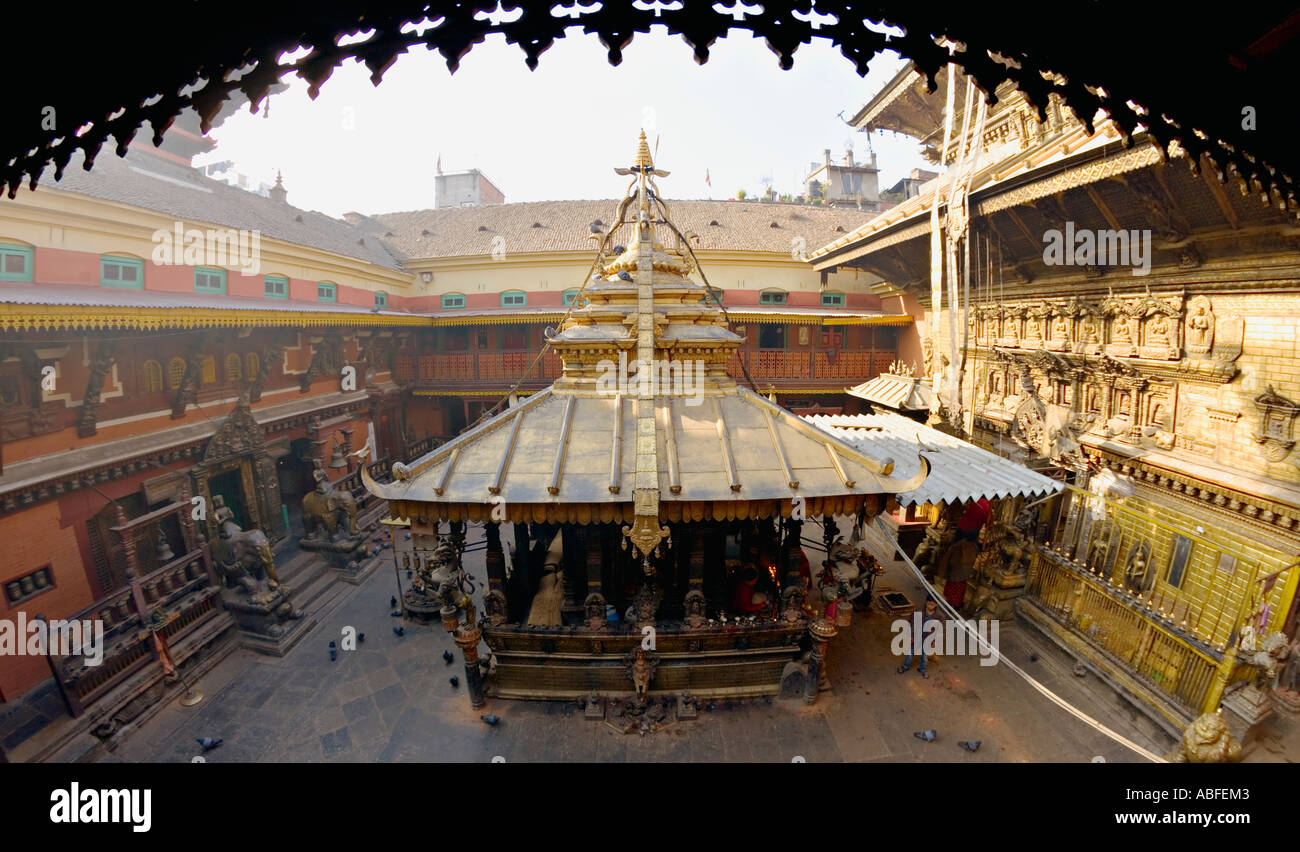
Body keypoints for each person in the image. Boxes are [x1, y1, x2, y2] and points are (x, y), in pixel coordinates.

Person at [897, 598, 944, 678]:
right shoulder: (918, 611)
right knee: (911, 652)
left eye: (932, 604)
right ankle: (905, 666)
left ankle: (922, 669)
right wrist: (911, 635)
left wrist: (935, 641)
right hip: (916, 636)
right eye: (929, 603)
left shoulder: (940, 616)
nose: (930, 606)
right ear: (926, 602)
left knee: (924, 655)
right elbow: (911, 622)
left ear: (936, 605)